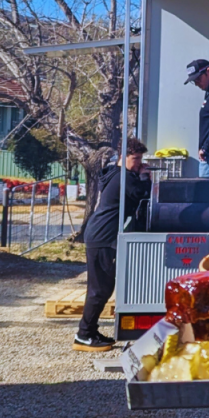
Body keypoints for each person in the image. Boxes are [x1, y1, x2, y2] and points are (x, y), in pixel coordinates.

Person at [74, 137, 147, 351]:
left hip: (100, 236)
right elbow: (140, 194)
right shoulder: (124, 178)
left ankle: (89, 331)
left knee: (103, 288)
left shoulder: (116, 174)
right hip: (102, 237)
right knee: (99, 289)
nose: (139, 163)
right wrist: (144, 177)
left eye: (141, 159)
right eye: (136, 159)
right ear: (123, 157)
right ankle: (84, 335)